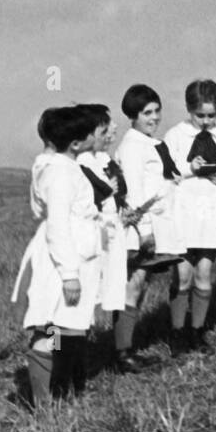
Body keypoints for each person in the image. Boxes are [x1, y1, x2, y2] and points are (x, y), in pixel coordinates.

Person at [11, 106, 102, 406]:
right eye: (91, 132)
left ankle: (63, 392)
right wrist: (70, 274)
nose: (96, 135)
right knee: (51, 324)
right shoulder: (60, 172)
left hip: (74, 257)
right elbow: (58, 225)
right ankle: (44, 404)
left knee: (65, 325)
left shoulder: (59, 165)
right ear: (76, 143)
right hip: (62, 260)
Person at [112, 84, 184, 370]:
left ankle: (126, 348)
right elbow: (135, 194)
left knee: (141, 286)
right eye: (147, 113)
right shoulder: (132, 146)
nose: (154, 118)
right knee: (134, 285)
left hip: (157, 223)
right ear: (133, 116)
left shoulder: (150, 143)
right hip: (141, 228)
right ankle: (122, 353)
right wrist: (144, 231)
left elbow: (164, 181)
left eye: (157, 111)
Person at [163, 80, 216, 354]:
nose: (206, 121)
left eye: (212, 116)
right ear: (189, 109)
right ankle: (177, 331)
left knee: (204, 273)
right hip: (183, 213)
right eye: (200, 116)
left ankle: (198, 330)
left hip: (211, 214)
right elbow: (167, 173)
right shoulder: (176, 136)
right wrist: (190, 168)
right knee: (183, 274)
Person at [76, 104, 128, 326]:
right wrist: (107, 192)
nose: (108, 136)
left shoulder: (104, 160)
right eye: (102, 132)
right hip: (89, 236)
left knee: (112, 289)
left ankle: (118, 349)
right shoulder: (80, 164)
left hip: (111, 232)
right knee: (84, 295)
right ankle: (74, 354)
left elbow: (120, 191)